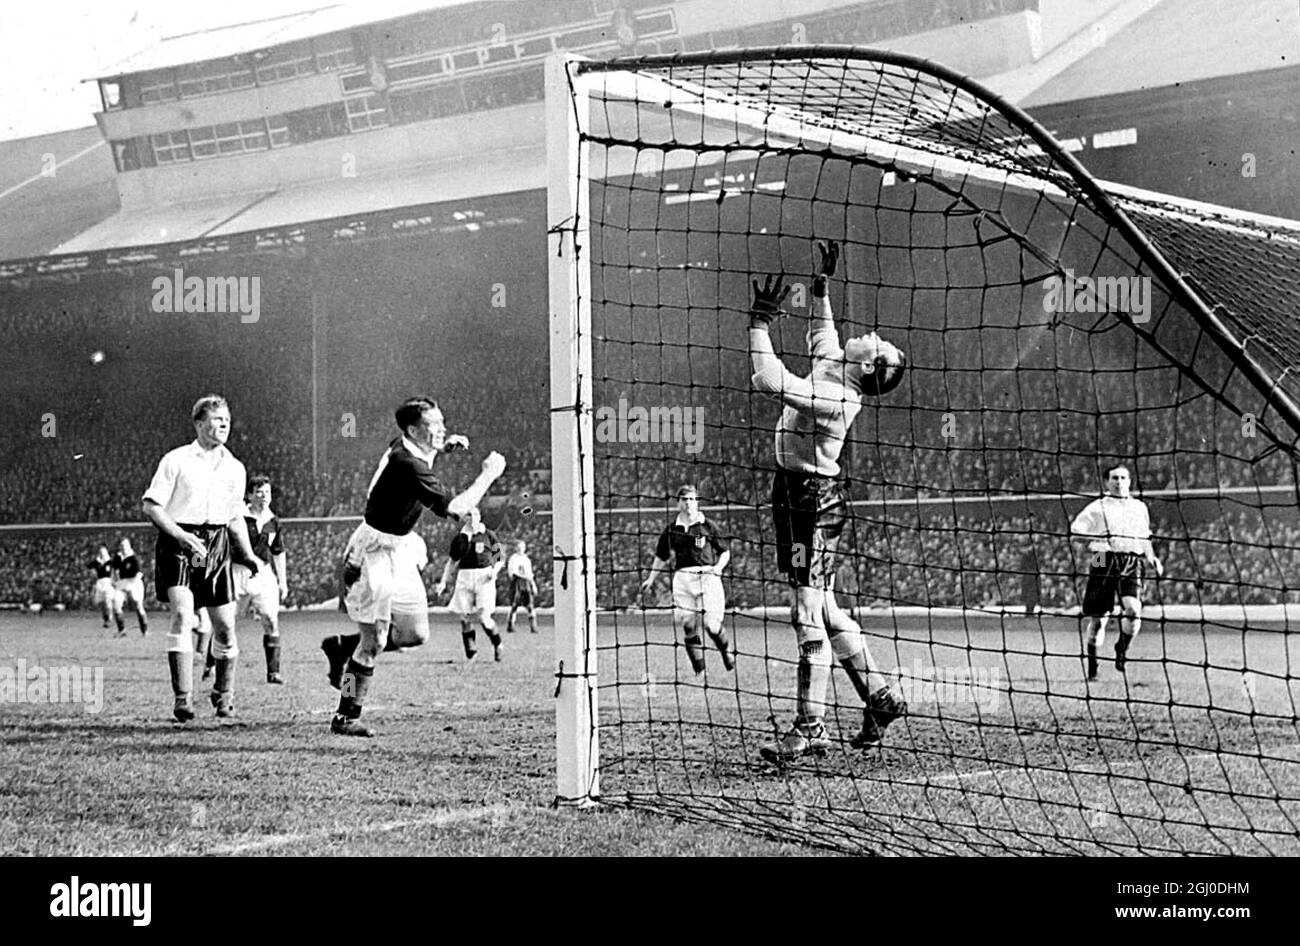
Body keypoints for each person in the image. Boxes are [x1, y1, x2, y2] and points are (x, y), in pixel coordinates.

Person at [747, 240, 909, 762]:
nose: (874, 337)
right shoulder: (839, 364)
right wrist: (821, 288)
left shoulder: (840, 397)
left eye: (879, 347)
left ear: (870, 371)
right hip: (797, 495)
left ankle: (811, 725)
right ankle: (879, 697)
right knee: (827, 606)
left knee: (805, 611)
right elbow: (823, 334)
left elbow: (773, 381)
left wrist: (759, 325)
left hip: (812, 505)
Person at [323, 396, 505, 737]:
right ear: (412, 429)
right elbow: (456, 509)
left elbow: (423, 460)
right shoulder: (406, 462)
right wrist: (489, 475)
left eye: (442, 422)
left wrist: (441, 448)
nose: (442, 428)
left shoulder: (407, 449)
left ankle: (341, 648)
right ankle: (345, 716)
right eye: (433, 425)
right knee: (373, 641)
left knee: (415, 635)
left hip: (401, 547)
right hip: (373, 553)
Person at [142, 395, 259, 722]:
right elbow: (151, 505)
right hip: (178, 543)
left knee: (225, 626)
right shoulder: (176, 460)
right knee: (182, 614)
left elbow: (235, 517)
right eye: (218, 419)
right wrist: (181, 536)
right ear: (199, 423)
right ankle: (183, 699)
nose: (224, 425)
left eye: (227, 420)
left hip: (217, 545)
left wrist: (248, 556)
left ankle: (224, 695)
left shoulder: (235, 467)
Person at [1070, 464, 1164, 678]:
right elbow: (1074, 532)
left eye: (1123, 478)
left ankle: (1121, 649)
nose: (1119, 482)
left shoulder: (1139, 507)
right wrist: (1097, 538)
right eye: (1114, 478)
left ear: (1130, 481)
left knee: (1133, 609)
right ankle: (1093, 666)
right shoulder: (1097, 507)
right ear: (1106, 482)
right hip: (1102, 558)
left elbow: (1145, 537)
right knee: (1099, 617)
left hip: (1131, 558)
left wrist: (1152, 558)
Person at [639, 484, 734, 674]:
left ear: (697, 502)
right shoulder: (672, 529)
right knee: (688, 624)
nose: (688, 503)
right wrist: (651, 578)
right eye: (684, 500)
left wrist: (718, 568)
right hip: (682, 579)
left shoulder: (707, 525)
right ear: (678, 503)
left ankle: (726, 651)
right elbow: (661, 556)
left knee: (711, 626)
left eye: (692, 499)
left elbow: (725, 552)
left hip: (707, 578)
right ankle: (700, 670)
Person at [230, 474, 289, 684]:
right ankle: (212, 664)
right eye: (259, 492)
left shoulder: (273, 521)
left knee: (271, 619)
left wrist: (283, 582)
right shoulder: (239, 517)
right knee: (227, 623)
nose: (264, 497)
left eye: (267, 493)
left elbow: (278, 552)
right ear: (249, 495)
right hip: (237, 572)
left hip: (263, 574)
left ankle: (273, 672)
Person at [436, 508, 505, 661]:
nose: (474, 517)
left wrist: (494, 572)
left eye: (476, 514)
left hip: (484, 577)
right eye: (470, 515)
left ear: (480, 517)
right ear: (465, 518)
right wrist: (443, 582)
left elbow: (500, 558)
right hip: (465, 576)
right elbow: (451, 562)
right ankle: (472, 654)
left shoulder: (489, 535)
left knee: (483, 617)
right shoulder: (460, 538)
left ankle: (498, 644)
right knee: (465, 617)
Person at [110, 537, 149, 636]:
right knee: (116, 604)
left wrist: (131, 587)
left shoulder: (134, 558)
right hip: (122, 582)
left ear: (129, 546)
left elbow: (139, 574)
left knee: (138, 605)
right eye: (121, 546)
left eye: (125, 545)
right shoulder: (118, 557)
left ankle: (144, 631)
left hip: (134, 582)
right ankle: (122, 631)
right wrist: (114, 581)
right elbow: (114, 570)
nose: (123, 548)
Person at [505, 540, 539, 634]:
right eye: (519, 547)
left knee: (530, 605)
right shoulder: (513, 559)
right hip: (517, 583)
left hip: (526, 583)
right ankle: (510, 625)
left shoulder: (526, 559)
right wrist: (521, 577)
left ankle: (533, 626)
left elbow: (530, 574)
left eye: (522, 547)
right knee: (514, 605)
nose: (521, 549)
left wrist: (533, 585)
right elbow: (513, 573)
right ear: (516, 548)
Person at [87, 546, 115, 631]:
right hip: (99, 582)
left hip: (108, 582)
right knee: (102, 603)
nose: (102, 553)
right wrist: (96, 562)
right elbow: (89, 567)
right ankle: (106, 620)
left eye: (104, 551)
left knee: (108, 600)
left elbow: (115, 570)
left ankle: (110, 618)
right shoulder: (97, 562)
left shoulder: (110, 562)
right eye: (101, 552)